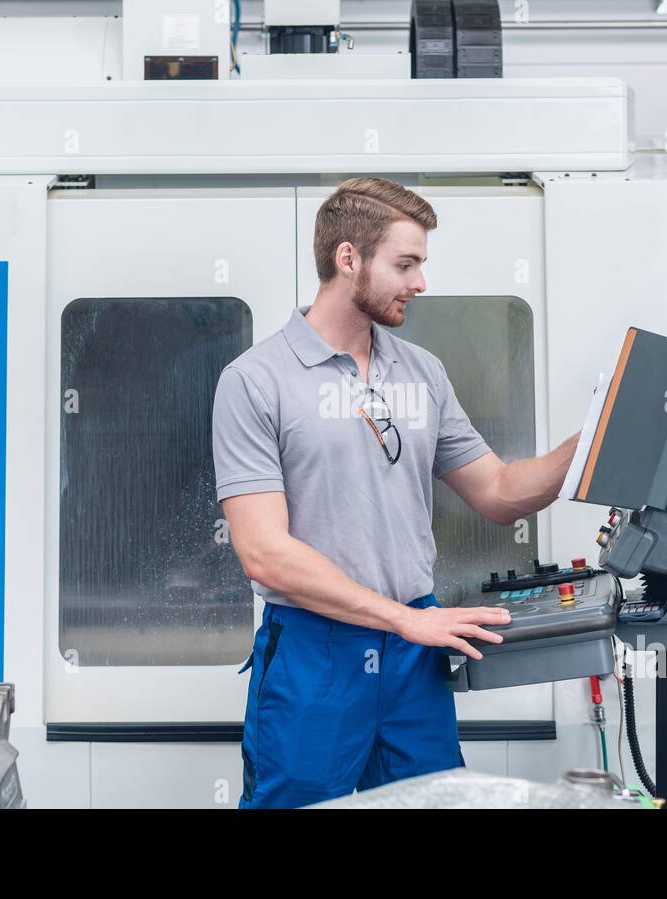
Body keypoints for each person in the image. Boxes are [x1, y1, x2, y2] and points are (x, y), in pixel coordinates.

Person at [212, 176, 578, 808]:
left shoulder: (421, 371)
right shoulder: (254, 381)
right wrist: (409, 620)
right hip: (313, 651)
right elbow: (264, 554)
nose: (421, 283)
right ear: (347, 258)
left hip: (414, 652)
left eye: (421, 265)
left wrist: (588, 446)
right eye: (405, 264)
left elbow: (495, 489)